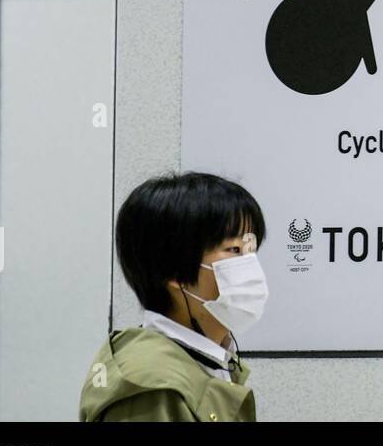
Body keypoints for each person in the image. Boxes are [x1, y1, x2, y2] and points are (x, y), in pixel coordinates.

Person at [78, 172, 269, 422]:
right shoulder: (150, 390)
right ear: (174, 270)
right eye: (234, 250)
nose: (249, 264)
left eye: (250, 249)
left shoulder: (206, 361)